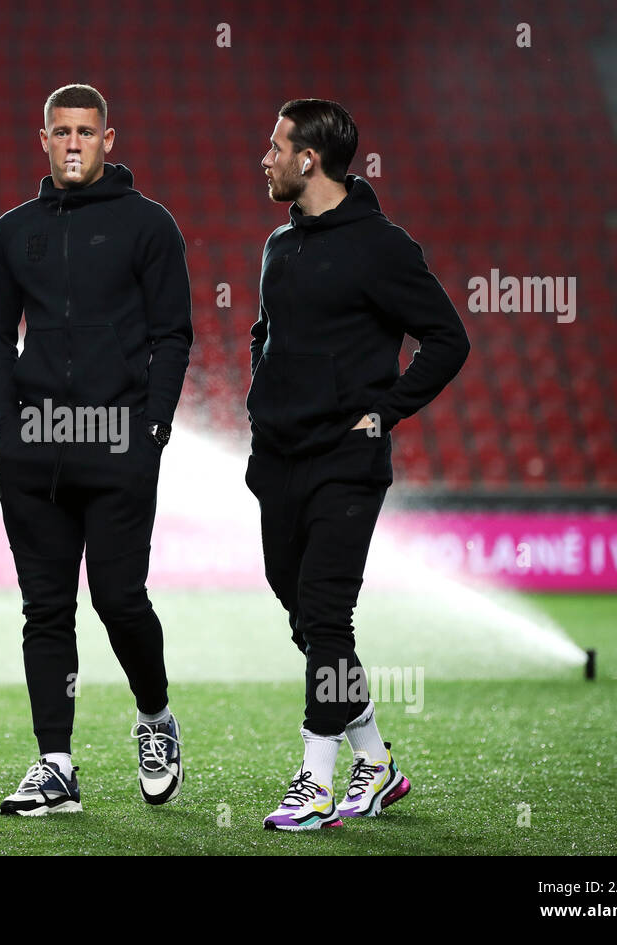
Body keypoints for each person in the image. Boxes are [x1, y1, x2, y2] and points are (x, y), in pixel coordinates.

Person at [248, 99, 469, 830]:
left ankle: (314, 784)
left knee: (326, 612)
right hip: (278, 461)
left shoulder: (382, 246)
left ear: (309, 159)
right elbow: (266, 336)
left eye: (277, 146)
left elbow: (446, 339)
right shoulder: (280, 246)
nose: (267, 158)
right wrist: (262, 409)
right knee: (304, 615)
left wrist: (389, 407)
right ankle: (374, 760)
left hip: (347, 461)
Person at [0, 84, 193, 815]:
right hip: (34, 451)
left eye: (87, 131)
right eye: (61, 131)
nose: (74, 142)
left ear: (109, 139)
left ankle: (156, 718)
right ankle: (56, 765)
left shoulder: (149, 226)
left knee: (119, 598)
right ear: (43, 139)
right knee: (45, 609)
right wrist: (8, 428)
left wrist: (153, 429)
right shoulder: (13, 231)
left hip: (119, 445)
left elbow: (173, 335)